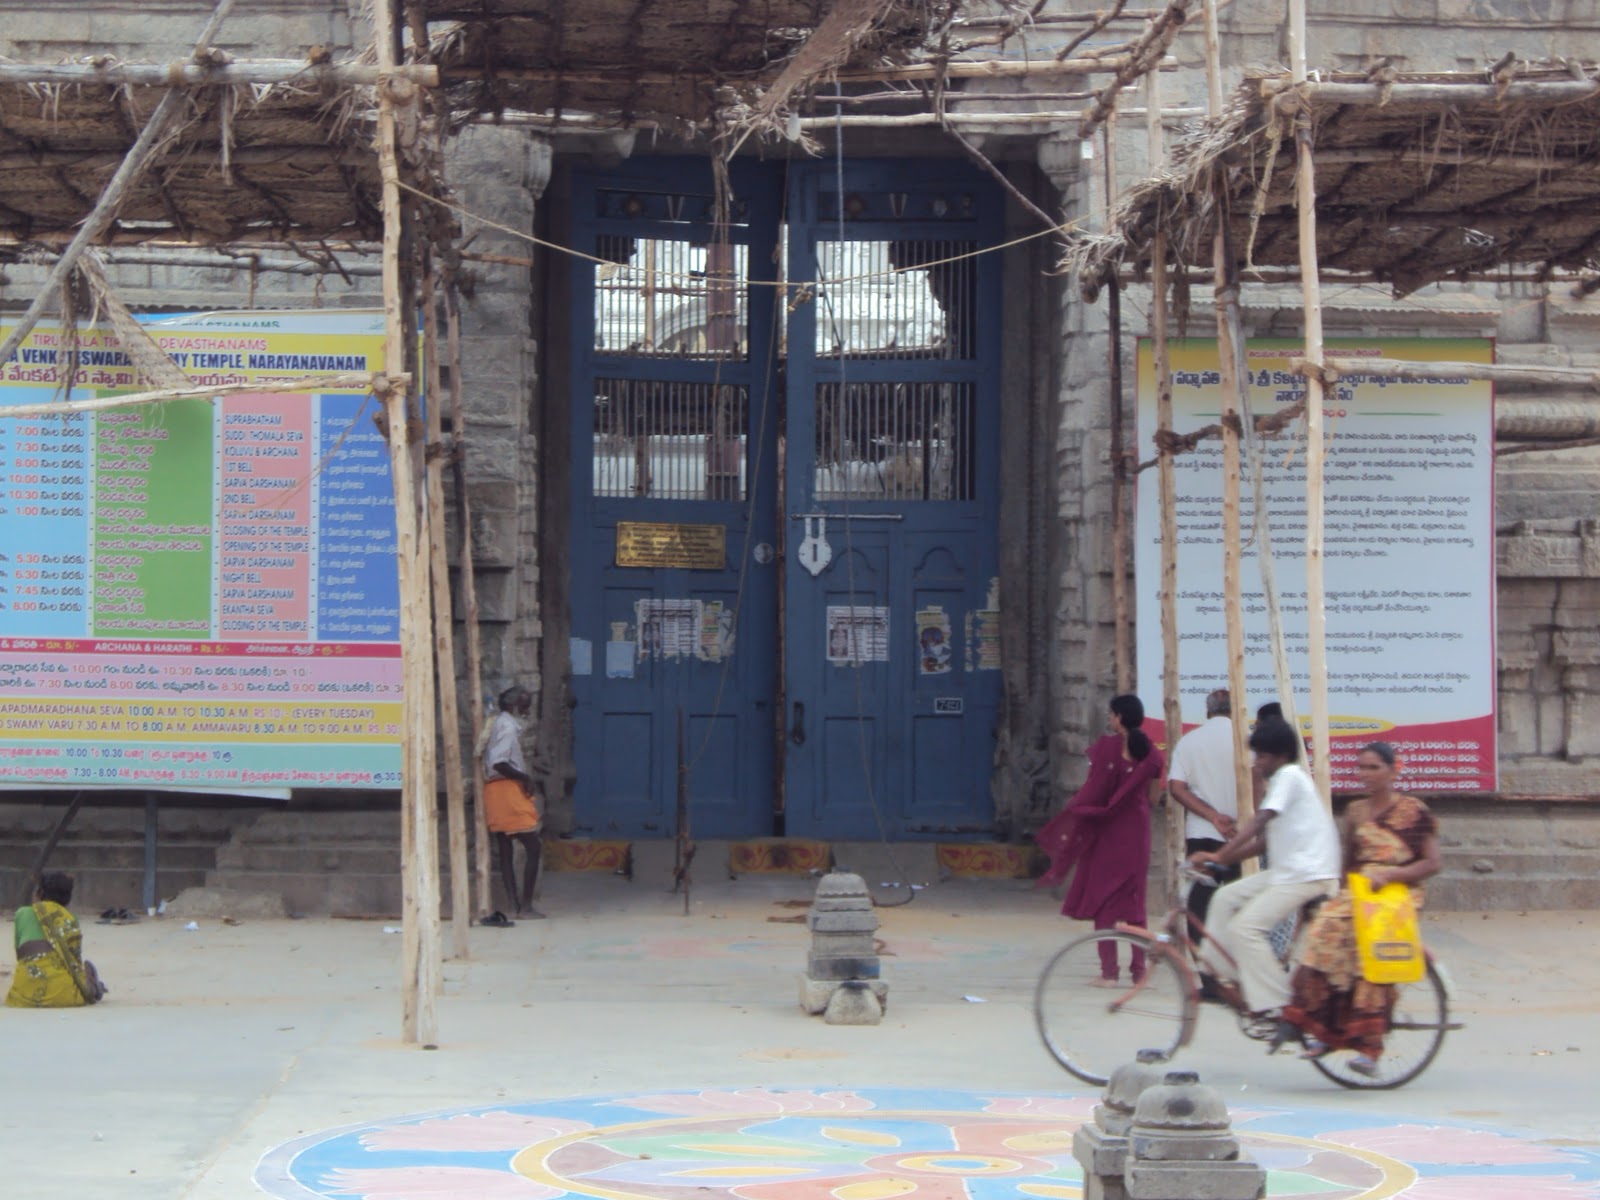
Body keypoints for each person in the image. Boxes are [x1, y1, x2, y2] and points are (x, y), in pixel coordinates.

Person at [1280, 741, 1441, 1074]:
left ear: (1393, 771)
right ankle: (1325, 1029)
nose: (1366, 774)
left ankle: (1369, 1048)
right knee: (1325, 935)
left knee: (1372, 952)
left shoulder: (1414, 810)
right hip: (1360, 892)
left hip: (1398, 892)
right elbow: (1349, 864)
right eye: (1361, 768)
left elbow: (1432, 862)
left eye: (1374, 768)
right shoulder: (1355, 812)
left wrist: (1392, 874)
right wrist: (1337, 895)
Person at [1189, 718, 1340, 1020]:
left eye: (1262, 756)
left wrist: (1219, 855)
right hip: (1289, 872)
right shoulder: (1283, 783)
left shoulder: (1289, 777)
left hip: (1308, 875)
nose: (1257, 763)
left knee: (1245, 929)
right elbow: (1264, 843)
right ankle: (1224, 976)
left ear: (1281, 756)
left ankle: (1276, 1004)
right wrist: (1222, 860)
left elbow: (1259, 822)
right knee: (1224, 898)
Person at [1036, 694, 1166, 985]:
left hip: (1107, 832)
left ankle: (1109, 973)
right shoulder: (1153, 755)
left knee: (1104, 900)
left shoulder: (1107, 749)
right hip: (1136, 833)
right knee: (1134, 902)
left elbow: (1093, 791)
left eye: (1111, 714)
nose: (1108, 718)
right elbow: (1154, 798)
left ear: (1119, 717)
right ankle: (1139, 972)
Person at [1167, 688, 1242, 936]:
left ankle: (1201, 956)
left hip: (1202, 834)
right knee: (1238, 904)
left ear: (1208, 711)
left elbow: (1176, 788)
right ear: (1234, 710)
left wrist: (1213, 817)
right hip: (1239, 835)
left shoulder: (1189, 741)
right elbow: (1258, 786)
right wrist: (1239, 822)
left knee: (1199, 904)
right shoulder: (1246, 740)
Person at [482, 684, 546, 921]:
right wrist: (524, 778)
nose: (527, 710)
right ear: (515, 706)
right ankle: (525, 907)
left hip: (495, 790)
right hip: (506, 789)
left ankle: (513, 904)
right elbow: (498, 762)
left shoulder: (497, 723)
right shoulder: (508, 727)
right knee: (533, 846)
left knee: (505, 848)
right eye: (525, 705)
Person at [7, 871, 99, 1008]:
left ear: (39, 893)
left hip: (23, 996)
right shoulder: (71, 918)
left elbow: (20, 956)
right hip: (65, 996)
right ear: (68, 899)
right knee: (86, 976)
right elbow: (74, 963)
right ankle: (94, 985)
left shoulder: (22, 913)